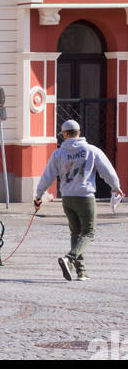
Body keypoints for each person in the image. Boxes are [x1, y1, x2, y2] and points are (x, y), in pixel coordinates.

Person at [33, 118, 122, 281]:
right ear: (79, 133)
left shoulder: (58, 153)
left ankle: (81, 271)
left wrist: (38, 196)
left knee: (75, 232)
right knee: (88, 232)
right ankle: (70, 258)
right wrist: (115, 186)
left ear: (64, 134)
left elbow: (47, 176)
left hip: (67, 198)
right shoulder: (91, 150)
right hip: (85, 197)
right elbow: (107, 170)